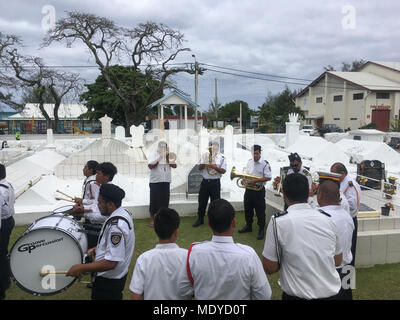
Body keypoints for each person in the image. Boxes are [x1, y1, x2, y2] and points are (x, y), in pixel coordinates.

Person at [262, 173, 343, 300]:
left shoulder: (278, 222)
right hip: (332, 295)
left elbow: (269, 267)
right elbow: (337, 261)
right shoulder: (328, 220)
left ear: (283, 193)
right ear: (308, 193)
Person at [178, 198, 272, 300]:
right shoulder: (249, 255)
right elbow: (264, 295)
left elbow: (183, 289)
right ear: (234, 223)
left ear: (209, 224)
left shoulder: (194, 252)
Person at [66, 184, 135, 300]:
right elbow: (120, 245)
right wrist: (97, 249)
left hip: (108, 282)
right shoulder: (123, 213)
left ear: (110, 204)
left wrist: (81, 268)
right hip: (116, 278)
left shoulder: (116, 226)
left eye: (100, 202)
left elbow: (111, 263)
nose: (97, 206)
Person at [130, 208, 191, 300]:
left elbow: (136, 296)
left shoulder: (144, 259)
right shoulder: (188, 257)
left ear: (155, 229)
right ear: (176, 232)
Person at [317, 179, 354, 300]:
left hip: (330, 270)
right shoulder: (347, 216)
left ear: (320, 195)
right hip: (347, 268)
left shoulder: (318, 216)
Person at [73, 162, 118, 248]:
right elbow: (95, 205)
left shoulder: (109, 192)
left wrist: (84, 212)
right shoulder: (103, 188)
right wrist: (83, 208)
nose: (96, 176)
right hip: (96, 225)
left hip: (100, 227)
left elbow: (104, 214)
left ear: (107, 176)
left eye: (99, 173)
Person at [238, 144, 272, 240]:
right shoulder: (249, 162)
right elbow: (247, 175)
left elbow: (269, 177)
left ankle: (261, 229)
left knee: (260, 211)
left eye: (256, 154)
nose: (255, 156)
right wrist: (243, 180)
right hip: (249, 189)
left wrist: (256, 181)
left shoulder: (265, 164)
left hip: (259, 190)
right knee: (247, 208)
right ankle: (248, 226)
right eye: (253, 154)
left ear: (260, 153)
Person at [331, 162, 361, 266]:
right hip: (340, 219)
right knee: (340, 248)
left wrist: (339, 202)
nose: (332, 176)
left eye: (334, 174)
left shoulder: (350, 184)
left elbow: (353, 205)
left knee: (348, 249)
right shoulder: (340, 182)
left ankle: (348, 275)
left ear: (342, 173)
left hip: (348, 220)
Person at [192, 141, 227, 227]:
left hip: (215, 182)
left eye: (215, 147)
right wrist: (205, 161)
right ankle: (200, 219)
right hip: (205, 182)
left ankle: (214, 220)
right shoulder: (205, 156)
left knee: (215, 203)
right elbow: (199, 168)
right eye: (212, 147)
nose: (214, 148)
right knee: (202, 201)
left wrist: (215, 167)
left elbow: (223, 171)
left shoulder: (222, 158)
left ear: (218, 148)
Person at [147, 141, 177, 227]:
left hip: (166, 181)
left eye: (165, 147)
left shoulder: (169, 156)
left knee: (165, 201)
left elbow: (174, 166)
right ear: (158, 148)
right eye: (162, 147)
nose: (163, 149)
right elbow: (151, 166)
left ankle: (163, 219)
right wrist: (160, 156)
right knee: (154, 201)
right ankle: (152, 219)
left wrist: (168, 158)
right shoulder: (153, 155)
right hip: (155, 181)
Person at [0, 164, 14, 300]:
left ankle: (3, 284)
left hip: (2, 223)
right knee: (3, 253)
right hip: (9, 220)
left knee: (1, 255)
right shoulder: (8, 185)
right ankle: (5, 280)